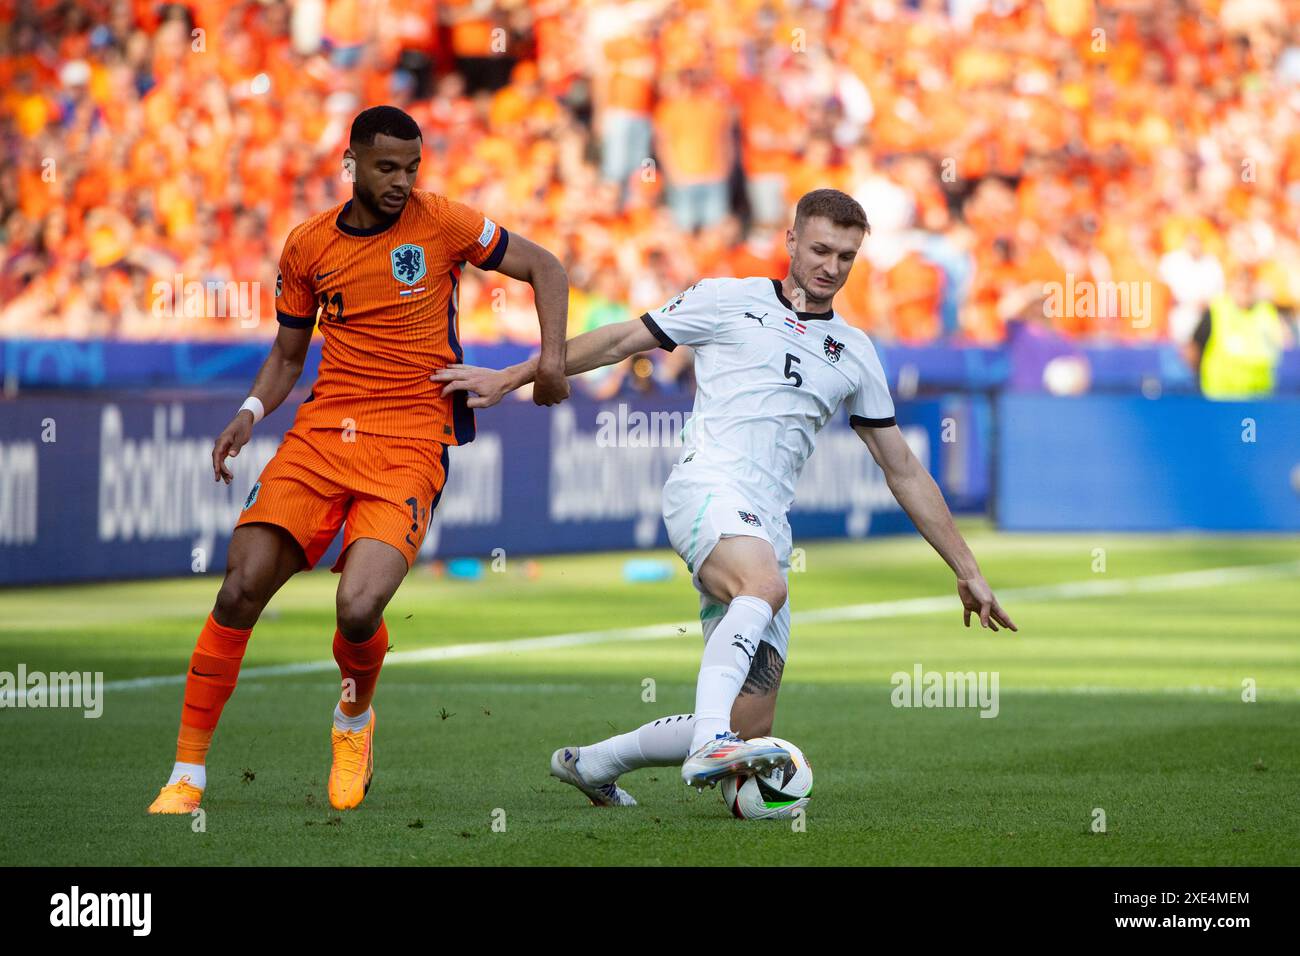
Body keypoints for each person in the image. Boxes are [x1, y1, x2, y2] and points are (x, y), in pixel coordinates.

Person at [433, 188, 1015, 805]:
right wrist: (514, 375)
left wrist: (967, 568)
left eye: (846, 256)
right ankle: (711, 739)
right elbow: (617, 342)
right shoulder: (724, 299)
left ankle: (595, 763)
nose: (831, 267)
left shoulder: (856, 353)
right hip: (705, 487)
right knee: (763, 590)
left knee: (751, 729)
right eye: (820, 249)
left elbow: (902, 469)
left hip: (768, 523)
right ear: (790, 241)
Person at [147, 105, 570, 815]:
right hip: (321, 437)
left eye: (412, 167)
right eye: (386, 168)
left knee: (358, 605)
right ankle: (187, 775)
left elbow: (546, 267)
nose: (403, 181)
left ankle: (352, 724)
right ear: (352, 163)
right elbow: (288, 355)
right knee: (239, 586)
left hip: (409, 440)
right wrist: (249, 414)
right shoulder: (308, 245)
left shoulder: (444, 223)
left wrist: (550, 362)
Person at [1188, 270, 1289, 400]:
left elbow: (1281, 346)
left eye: (1248, 287)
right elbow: (1194, 348)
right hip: (1221, 396)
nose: (1245, 292)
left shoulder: (1266, 312)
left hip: (1259, 397)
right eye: (1240, 287)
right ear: (1231, 288)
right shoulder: (1217, 311)